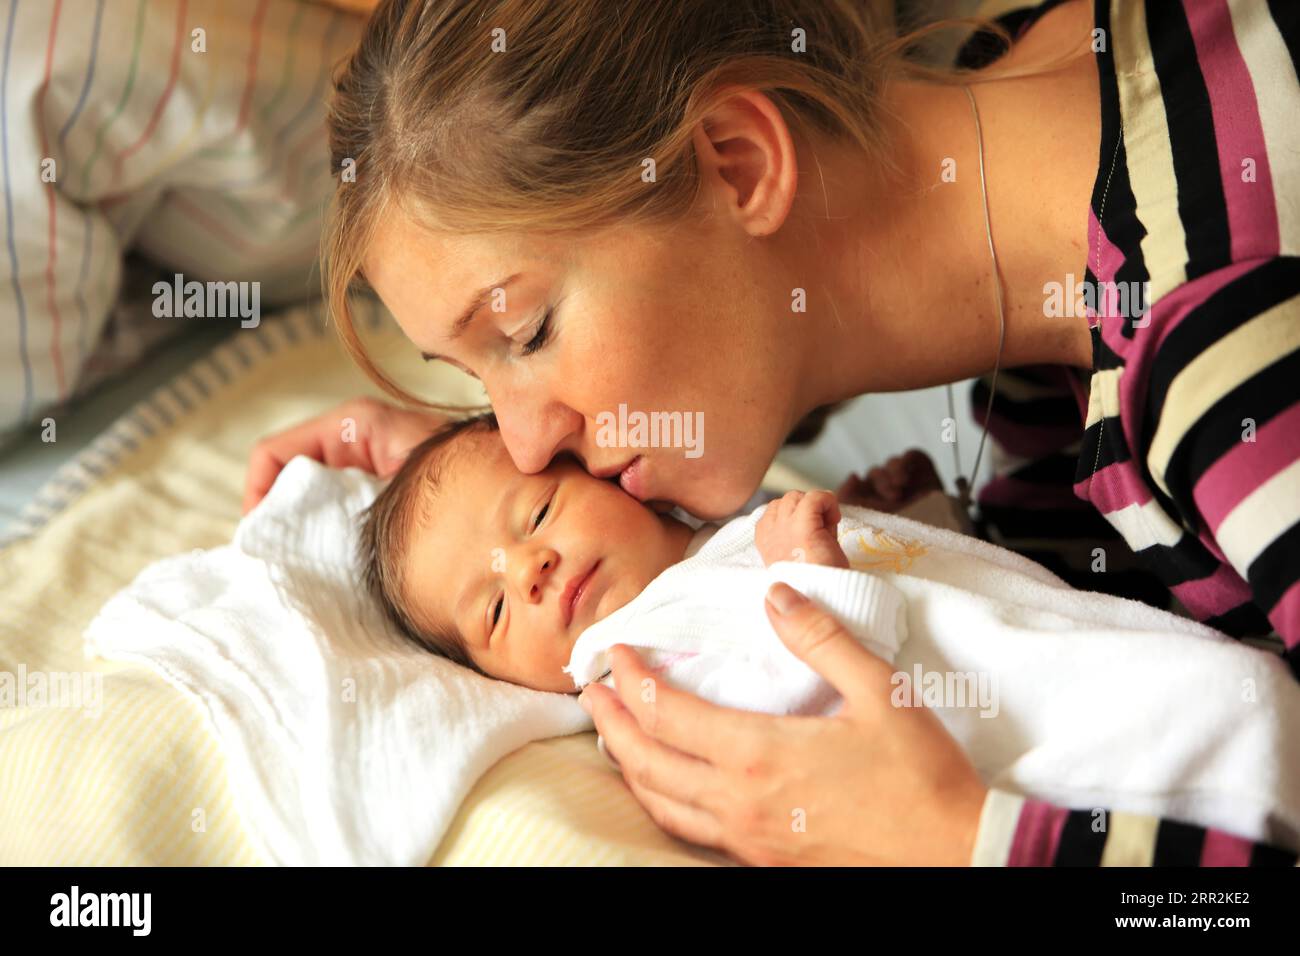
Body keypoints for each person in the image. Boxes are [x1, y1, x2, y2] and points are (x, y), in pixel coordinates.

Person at [244, 0, 1300, 865]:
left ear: (740, 161)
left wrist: (957, 837)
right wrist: (452, 485)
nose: (523, 444)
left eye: (525, 328)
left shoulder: (1227, 369)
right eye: (474, 378)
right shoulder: (1060, 67)